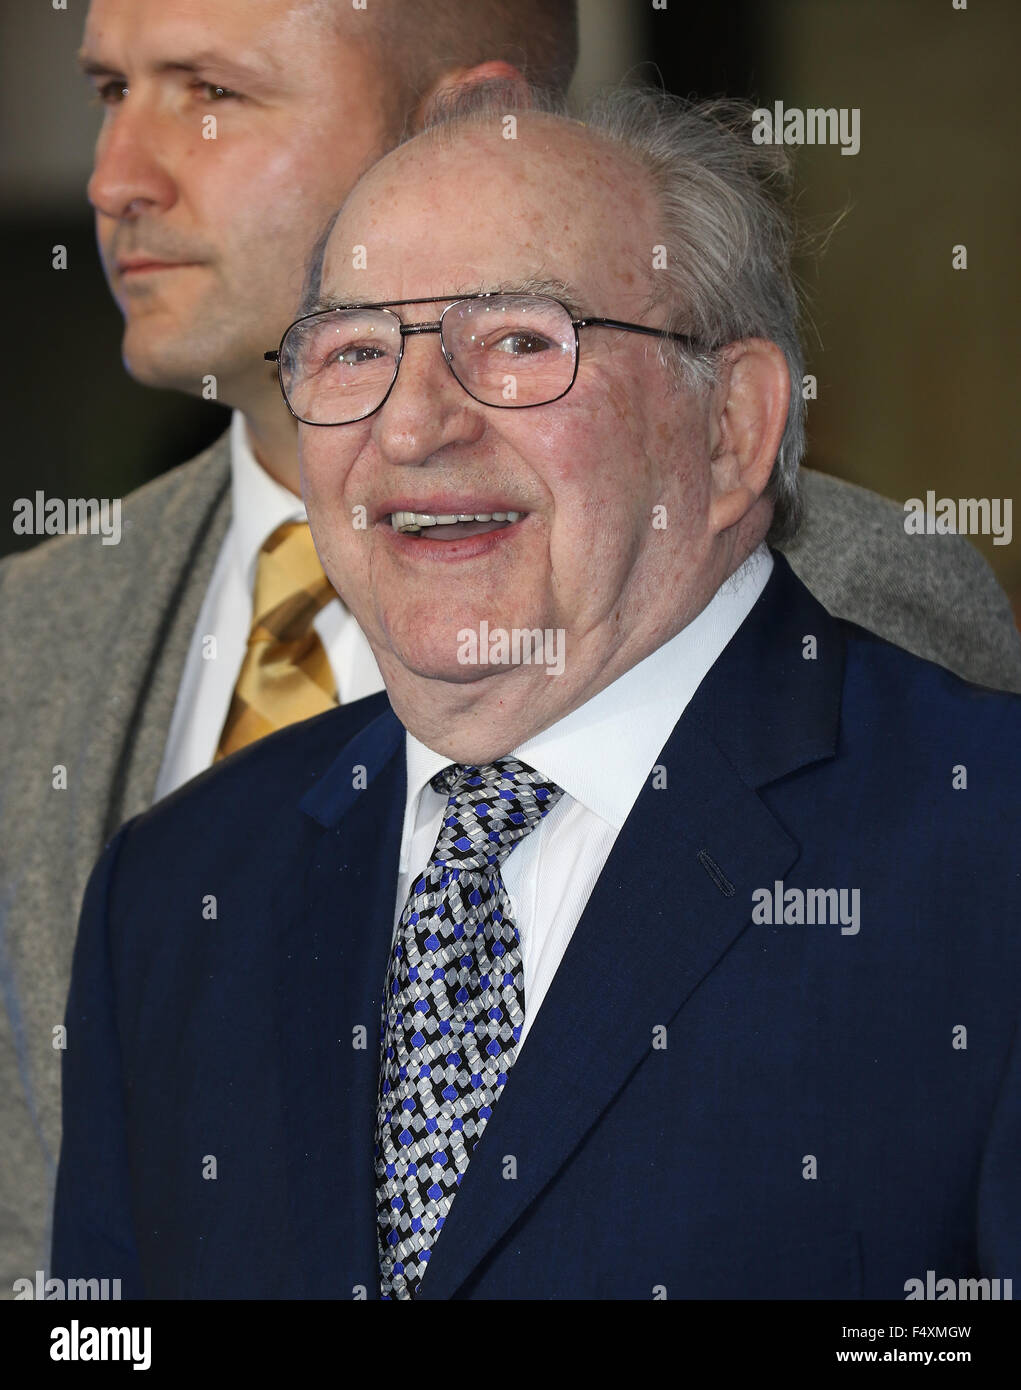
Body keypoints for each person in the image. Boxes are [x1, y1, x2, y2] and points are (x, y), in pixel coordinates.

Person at [52, 89, 1020, 1300]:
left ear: (730, 427)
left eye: (516, 341)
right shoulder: (177, 886)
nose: (409, 426)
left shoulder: (986, 848)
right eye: (353, 351)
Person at [0, 0, 579, 1295]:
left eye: (210, 92)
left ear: (472, 129)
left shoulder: (822, 604)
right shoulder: (24, 641)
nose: (116, 181)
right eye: (109, 92)